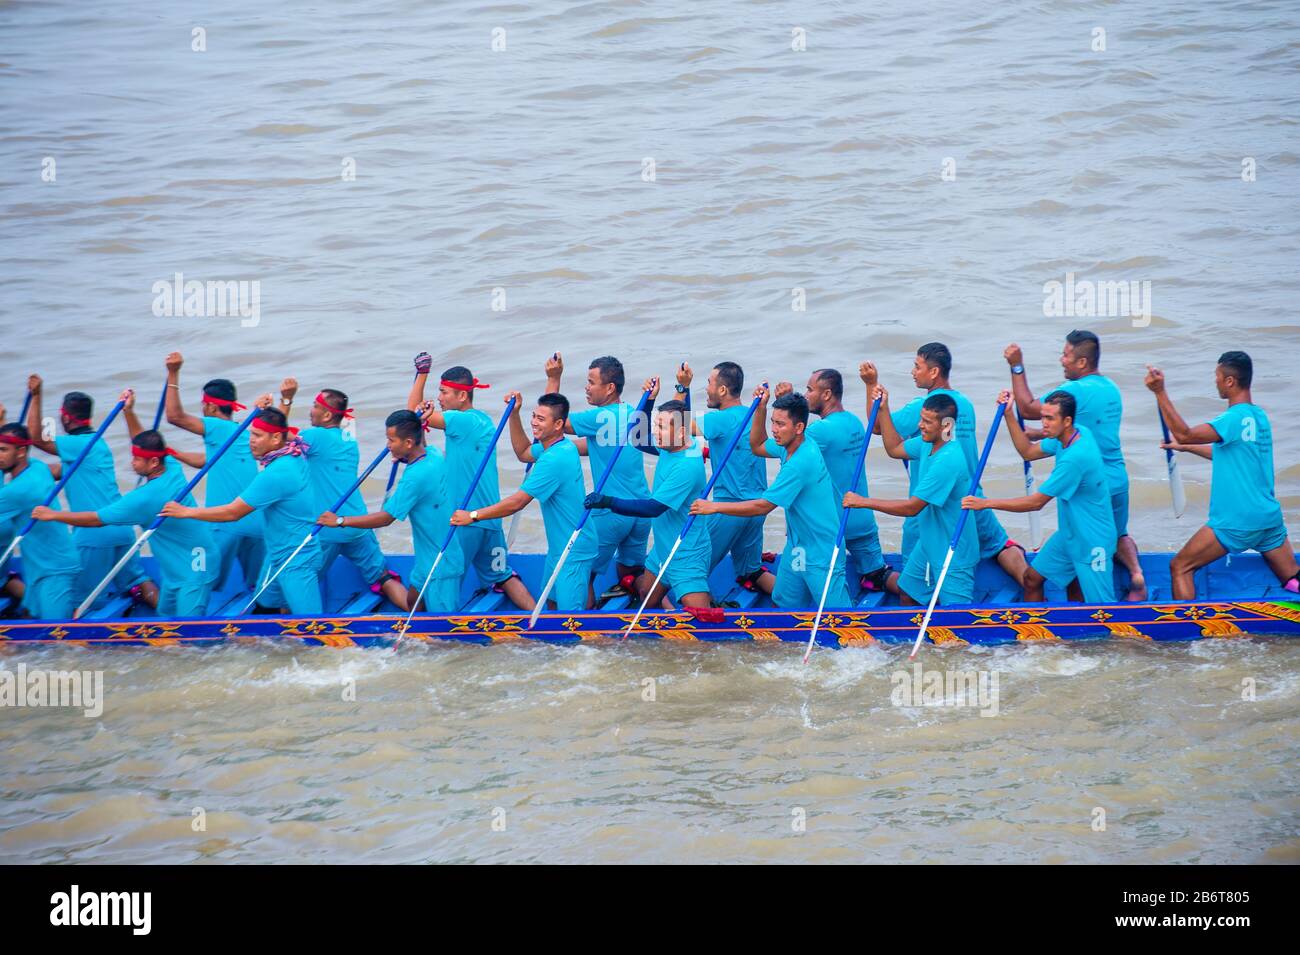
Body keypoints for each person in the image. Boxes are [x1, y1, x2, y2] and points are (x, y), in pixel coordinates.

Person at [31, 390, 219, 616]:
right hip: (175, 571)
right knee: (165, 619)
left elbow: (96, 519)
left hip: (195, 567)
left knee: (186, 631)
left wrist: (53, 515)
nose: (132, 463)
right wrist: (129, 412)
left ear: (153, 462)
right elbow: (144, 441)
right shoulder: (171, 467)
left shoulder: (145, 498)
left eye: (137, 459)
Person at [863, 344, 1029, 587]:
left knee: (913, 579)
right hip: (972, 496)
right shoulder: (965, 403)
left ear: (934, 372)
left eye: (917, 367)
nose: (912, 372)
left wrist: (870, 385)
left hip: (932, 504)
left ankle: (884, 580)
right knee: (1000, 546)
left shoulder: (926, 407)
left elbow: (877, 427)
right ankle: (1031, 584)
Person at [1005, 330, 1146, 600]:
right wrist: (1040, 433)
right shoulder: (1110, 388)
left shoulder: (1076, 391)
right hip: (1117, 480)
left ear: (1082, 362)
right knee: (1118, 534)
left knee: (1090, 546)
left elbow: (1028, 408)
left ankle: (1096, 607)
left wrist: (1016, 365)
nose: (1062, 360)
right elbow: (1082, 423)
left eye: (1066, 355)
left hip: (1087, 487)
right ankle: (1136, 573)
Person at [1146, 352, 1299, 599]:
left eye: (1217, 376)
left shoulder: (1232, 418)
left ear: (1229, 381)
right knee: (1293, 579)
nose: (1215, 381)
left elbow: (1184, 432)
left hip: (1236, 521)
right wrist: (1185, 448)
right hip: (1267, 518)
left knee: (1180, 567)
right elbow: (1229, 455)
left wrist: (1159, 392)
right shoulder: (1259, 417)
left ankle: (1189, 623)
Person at [689, 387, 850, 609]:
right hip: (797, 549)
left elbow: (763, 506)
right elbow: (757, 446)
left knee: (841, 619)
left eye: (780, 424)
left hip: (821, 552)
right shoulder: (788, 445)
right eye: (773, 422)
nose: (774, 430)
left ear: (799, 428)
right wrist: (761, 409)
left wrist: (714, 507)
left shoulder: (801, 462)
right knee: (784, 605)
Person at [161, 403, 323, 614]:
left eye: (257, 436)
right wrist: (279, 403)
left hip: (296, 560)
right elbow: (286, 432)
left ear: (276, 439)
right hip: (276, 557)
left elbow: (233, 512)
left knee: (314, 626)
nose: (251, 441)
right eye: (251, 434)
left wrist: (187, 512)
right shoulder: (295, 453)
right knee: (264, 607)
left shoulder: (276, 474)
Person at [962, 390, 1117, 602]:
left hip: (1092, 541)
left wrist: (986, 503)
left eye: (1050, 418)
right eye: (1043, 417)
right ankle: (1034, 624)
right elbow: (1027, 451)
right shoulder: (1072, 434)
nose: (1044, 423)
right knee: (1031, 579)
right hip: (1069, 534)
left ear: (1067, 421)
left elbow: (1036, 503)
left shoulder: (1075, 459)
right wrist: (1009, 414)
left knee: (1101, 609)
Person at [451, 392, 598, 612]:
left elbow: (517, 503)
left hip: (573, 548)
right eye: (534, 416)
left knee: (569, 621)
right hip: (560, 547)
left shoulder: (554, 459)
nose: (534, 422)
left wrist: (473, 516)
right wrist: (515, 414)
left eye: (541, 419)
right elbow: (523, 452)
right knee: (551, 604)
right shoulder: (558, 446)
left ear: (558, 424)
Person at [407, 358, 534, 611]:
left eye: (444, 392)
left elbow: (411, 418)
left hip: (465, 522)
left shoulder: (461, 421)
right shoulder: (483, 421)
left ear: (462, 395)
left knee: (437, 580)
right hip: (490, 520)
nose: (439, 398)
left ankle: (437, 627)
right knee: (503, 575)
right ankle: (537, 619)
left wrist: (422, 374)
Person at [24, 375, 158, 610]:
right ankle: (169, 616)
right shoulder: (97, 444)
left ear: (65, 417)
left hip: (93, 535)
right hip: (122, 530)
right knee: (138, 582)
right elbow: (55, 471)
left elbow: (36, 439)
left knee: (73, 599)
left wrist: (36, 395)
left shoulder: (77, 445)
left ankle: (66, 632)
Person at [274, 378, 408, 610]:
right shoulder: (349, 440)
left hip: (327, 529)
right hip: (357, 524)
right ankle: (413, 612)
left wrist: (286, 399)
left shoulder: (315, 437)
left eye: (315, 406)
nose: (311, 411)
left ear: (327, 415)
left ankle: (284, 624)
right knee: (383, 577)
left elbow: (275, 436)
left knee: (297, 580)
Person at [320, 409, 465, 613]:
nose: (388, 446)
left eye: (391, 440)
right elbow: (421, 445)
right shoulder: (433, 454)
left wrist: (340, 521)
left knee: (444, 630)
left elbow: (386, 518)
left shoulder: (414, 478)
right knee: (413, 604)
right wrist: (405, 450)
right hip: (426, 561)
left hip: (440, 566)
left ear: (408, 442)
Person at [843, 388, 979, 606]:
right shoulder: (926, 444)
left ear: (946, 426)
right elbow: (894, 448)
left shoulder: (949, 459)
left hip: (953, 552)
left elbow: (912, 508)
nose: (920, 426)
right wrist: (884, 409)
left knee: (957, 620)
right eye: (921, 419)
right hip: (928, 544)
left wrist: (863, 502)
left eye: (927, 422)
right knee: (907, 592)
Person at [585, 388, 712, 610]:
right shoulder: (671, 446)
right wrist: (649, 401)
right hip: (662, 549)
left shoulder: (687, 466)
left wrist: (607, 502)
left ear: (681, 433)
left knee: (700, 617)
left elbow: (653, 508)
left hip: (686, 552)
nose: (656, 432)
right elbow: (637, 439)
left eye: (661, 427)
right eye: (656, 425)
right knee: (646, 595)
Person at [775, 368, 890, 594]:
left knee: (805, 581)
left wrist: (786, 405)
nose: (805, 395)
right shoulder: (854, 421)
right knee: (878, 577)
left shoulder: (819, 430)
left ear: (827, 394)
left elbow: (786, 445)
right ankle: (915, 597)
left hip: (835, 524)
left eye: (809, 390)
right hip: (862, 518)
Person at [545, 353, 650, 599]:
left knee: (581, 573)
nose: (586, 387)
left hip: (611, 512)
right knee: (631, 572)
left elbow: (551, 421)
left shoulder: (599, 417)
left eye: (591, 382)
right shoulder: (632, 413)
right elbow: (594, 446)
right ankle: (667, 610)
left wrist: (553, 378)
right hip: (641, 511)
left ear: (610, 388)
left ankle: (585, 620)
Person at [162, 352, 266, 591]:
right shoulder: (243, 433)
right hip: (255, 522)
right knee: (258, 589)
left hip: (224, 522)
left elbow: (174, 416)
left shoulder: (216, 427)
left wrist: (173, 372)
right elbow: (208, 462)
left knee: (199, 584)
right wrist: (175, 454)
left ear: (209, 406)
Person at [677, 361, 775, 595]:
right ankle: (791, 601)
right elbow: (741, 448)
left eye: (709, 383)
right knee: (751, 571)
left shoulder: (718, 419)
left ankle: (698, 607)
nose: (706, 388)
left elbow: (676, 427)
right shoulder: (752, 415)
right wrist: (710, 452)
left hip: (729, 511)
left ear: (722, 390)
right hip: (755, 510)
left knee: (690, 567)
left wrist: (683, 387)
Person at [0, 423, 79, 619]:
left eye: (3, 450)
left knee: (55, 635)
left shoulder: (17, 491)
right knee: (29, 620)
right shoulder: (37, 467)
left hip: (55, 571)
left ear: (21, 452)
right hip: (39, 567)